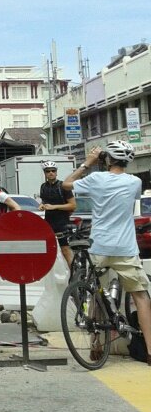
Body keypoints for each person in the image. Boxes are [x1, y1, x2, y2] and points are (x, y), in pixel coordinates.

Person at [63, 142, 150, 364]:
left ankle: (95, 346)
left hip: (99, 245)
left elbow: (66, 185)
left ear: (107, 159)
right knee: (140, 296)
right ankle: (150, 352)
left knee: (95, 294)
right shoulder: (135, 182)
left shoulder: (96, 179)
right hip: (125, 248)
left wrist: (88, 162)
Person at [37, 160, 77, 267]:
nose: (51, 173)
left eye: (53, 170)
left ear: (56, 172)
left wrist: (54, 207)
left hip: (62, 223)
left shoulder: (63, 186)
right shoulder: (43, 187)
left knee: (65, 249)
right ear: (44, 173)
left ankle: (75, 274)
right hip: (49, 222)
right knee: (47, 250)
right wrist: (42, 204)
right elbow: (45, 200)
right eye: (48, 171)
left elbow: (73, 205)